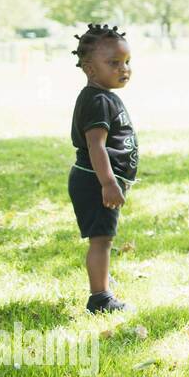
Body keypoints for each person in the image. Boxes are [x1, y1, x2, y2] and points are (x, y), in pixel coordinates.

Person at [68, 24, 139, 314]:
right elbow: (96, 146)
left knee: (103, 239)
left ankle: (101, 281)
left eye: (126, 62)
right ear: (90, 68)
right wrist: (108, 183)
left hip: (99, 181)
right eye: (114, 63)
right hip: (95, 182)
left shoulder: (103, 95)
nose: (124, 69)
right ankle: (100, 298)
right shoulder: (97, 100)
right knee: (102, 241)